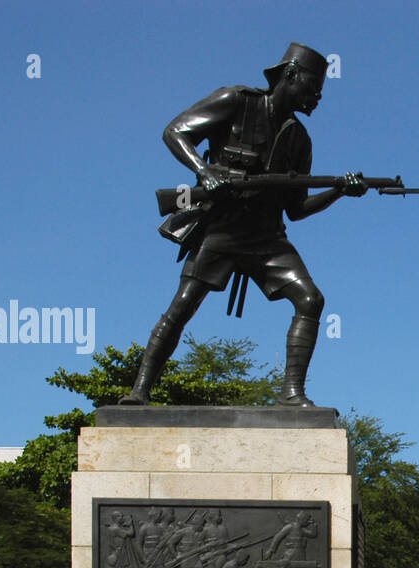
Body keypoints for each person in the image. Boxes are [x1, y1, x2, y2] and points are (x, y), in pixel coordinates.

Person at [121, 42, 368, 407]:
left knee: (311, 300)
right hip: (223, 228)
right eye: (313, 87)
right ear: (290, 75)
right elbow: (175, 132)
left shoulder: (299, 138)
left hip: (267, 237)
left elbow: (296, 209)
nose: (317, 97)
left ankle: (291, 394)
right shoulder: (236, 100)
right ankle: (140, 390)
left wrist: (338, 192)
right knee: (183, 306)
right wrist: (203, 171)